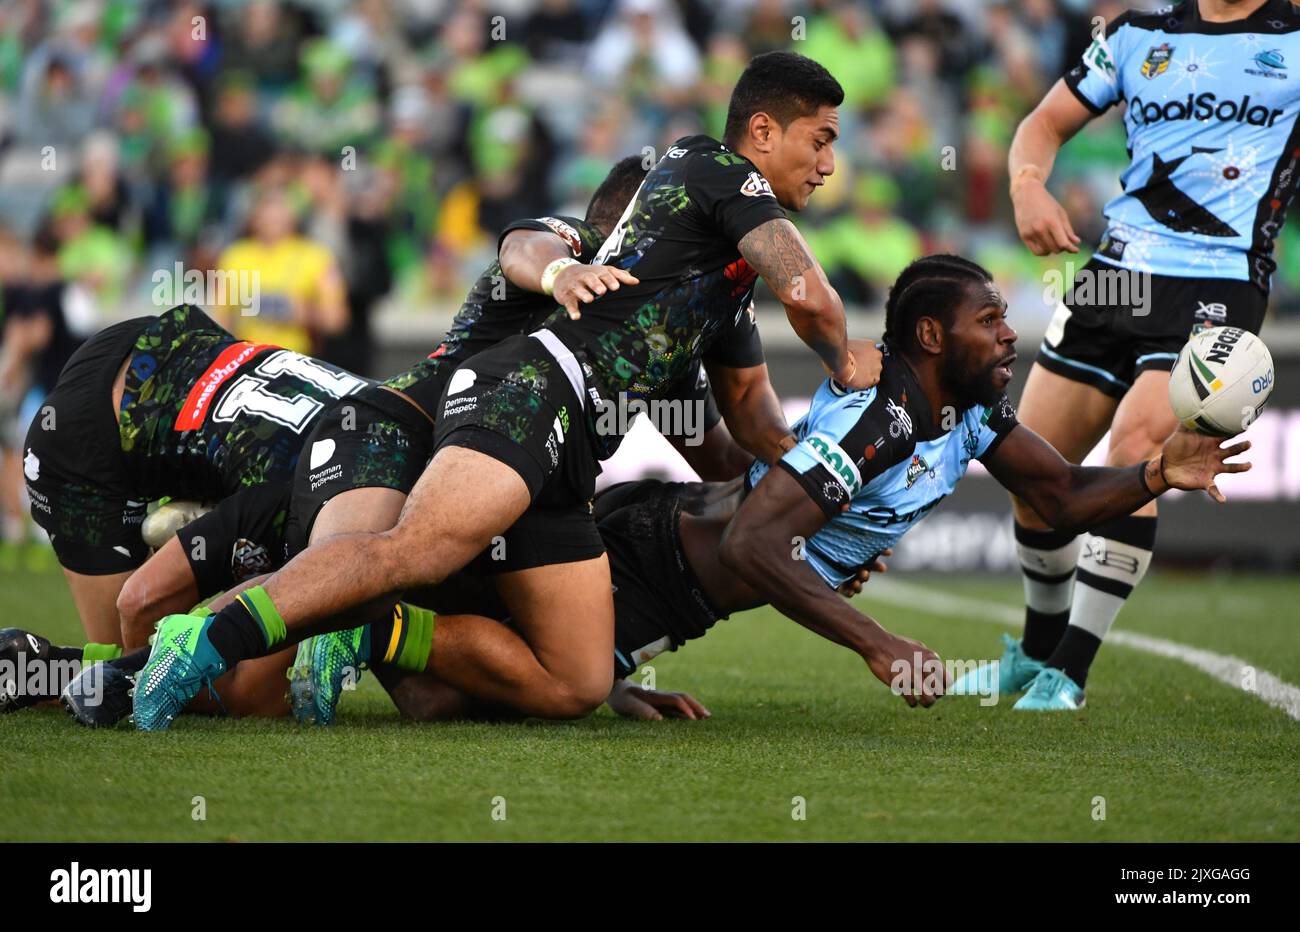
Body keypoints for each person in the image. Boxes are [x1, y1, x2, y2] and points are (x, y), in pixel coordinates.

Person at [132, 51, 882, 732]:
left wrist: (813, 501)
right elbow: (810, 297)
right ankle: (199, 643)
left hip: (563, 455)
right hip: (521, 394)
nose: (828, 163)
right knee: (412, 554)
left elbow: (745, 423)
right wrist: (846, 362)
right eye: (821, 140)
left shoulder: (722, 292)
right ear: (761, 131)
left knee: (576, 679)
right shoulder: (712, 166)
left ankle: (366, 630)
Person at [995, 0, 1297, 708]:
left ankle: (1067, 671)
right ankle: (1036, 651)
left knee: (1137, 445)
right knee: (1031, 463)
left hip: (1219, 281)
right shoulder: (1136, 32)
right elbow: (1042, 124)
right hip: (1116, 270)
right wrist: (1026, 185)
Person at [21, 302, 368, 647]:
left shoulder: (399, 409)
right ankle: (43, 669)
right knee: (123, 663)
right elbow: (260, 686)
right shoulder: (312, 498)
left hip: (174, 343)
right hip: (84, 437)